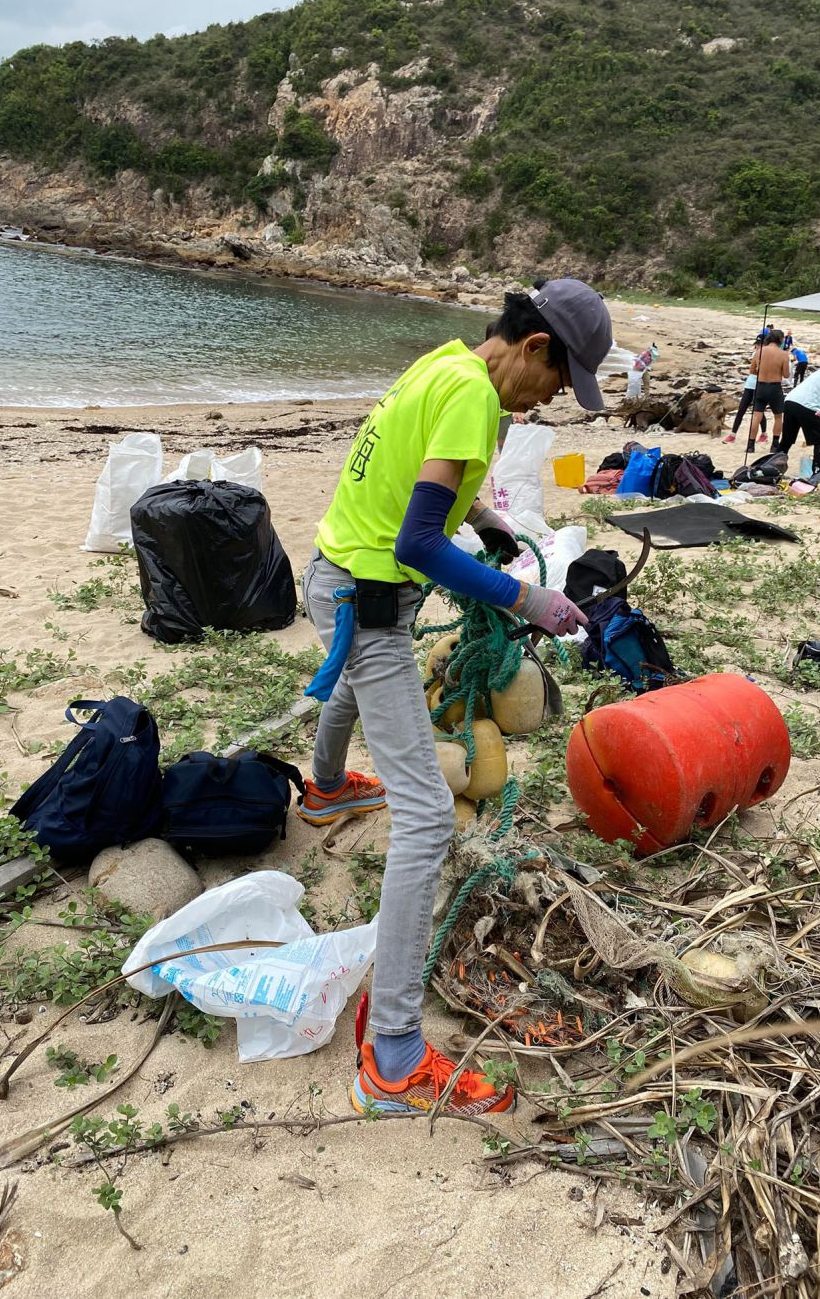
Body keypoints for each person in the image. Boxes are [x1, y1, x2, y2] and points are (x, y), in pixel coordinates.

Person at [301, 278, 611, 1118]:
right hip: (363, 595)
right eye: (556, 383)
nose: (550, 400)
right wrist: (526, 600)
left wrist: (487, 519)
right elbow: (415, 542)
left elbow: (416, 466)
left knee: (358, 681)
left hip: (339, 573)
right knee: (430, 817)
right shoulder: (478, 400)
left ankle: (325, 787)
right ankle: (393, 1059)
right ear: (535, 347)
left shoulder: (446, 364)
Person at [746, 328, 790, 453]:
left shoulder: (759, 351)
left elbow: (752, 371)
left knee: (756, 416)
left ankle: (750, 445)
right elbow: (786, 375)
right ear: (780, 340)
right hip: (775, 387)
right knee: (778, 417)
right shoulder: (783, 354)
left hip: (760, 386)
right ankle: (775, 445)